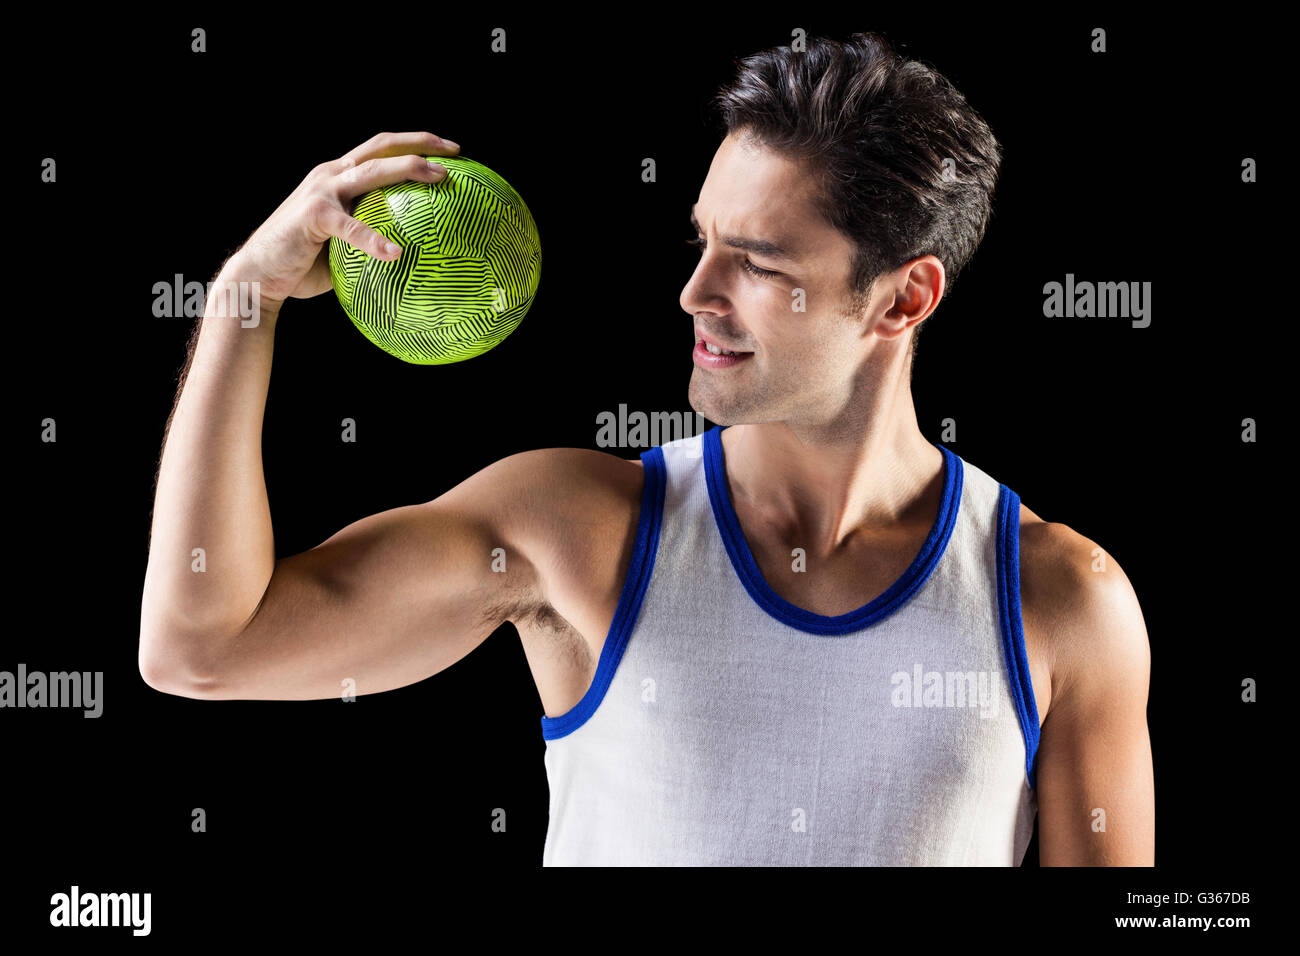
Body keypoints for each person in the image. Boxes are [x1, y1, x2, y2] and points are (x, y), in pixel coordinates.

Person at [139, 32, 1154, 866]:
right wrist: (246, 295)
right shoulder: (574, 531)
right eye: (700, 240)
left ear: (902, 297)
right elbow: (202, 649)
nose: (695, 292)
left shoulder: (1057, 598)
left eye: (755, 262)